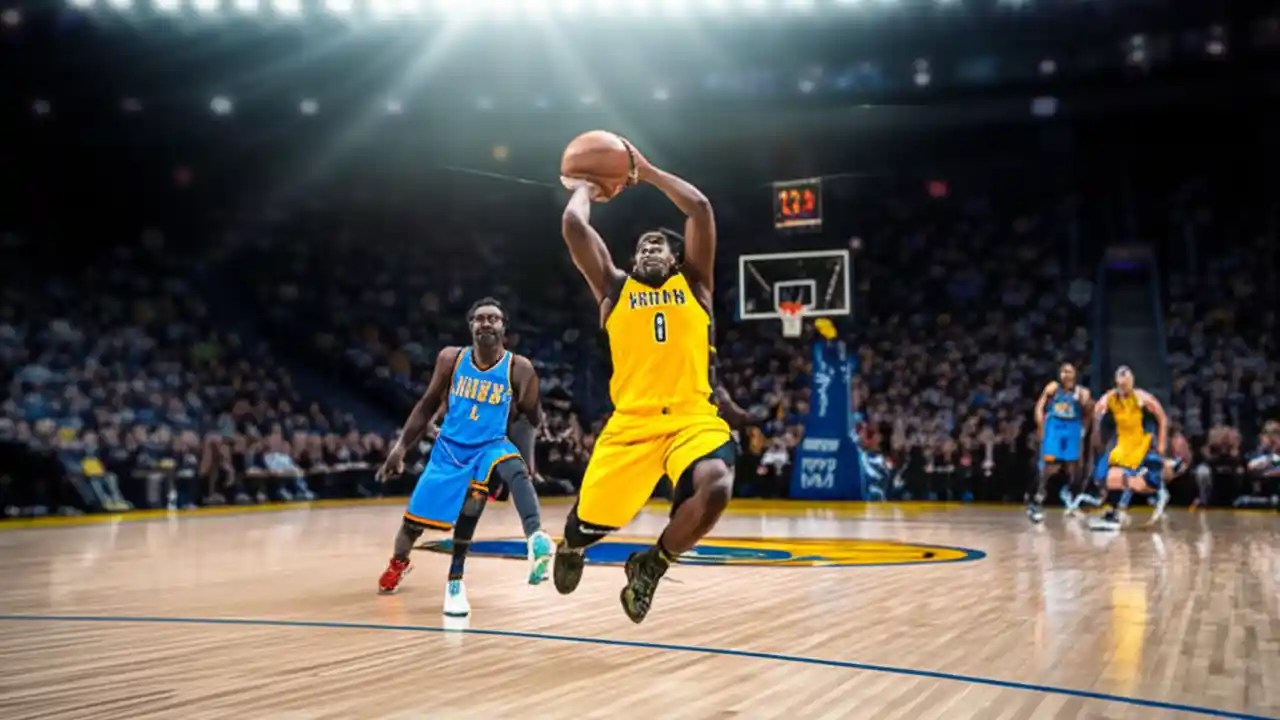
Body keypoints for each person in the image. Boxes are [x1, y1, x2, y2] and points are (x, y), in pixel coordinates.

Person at [557, 143, 736, 623]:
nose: (650, 249)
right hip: (631, 426)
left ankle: (651, 566)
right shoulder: (614, 289)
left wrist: (647, 170)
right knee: (587, 524)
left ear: (675, 257)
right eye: (642, 246)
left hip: (692, 420)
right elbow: (574, 226)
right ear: (633, 260)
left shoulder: (694, 285)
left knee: (717, 487)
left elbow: (699, 208)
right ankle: (572, 546)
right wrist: (584, 187)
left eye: (658, 244)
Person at [375, 298, 554, 617]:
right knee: (412, 525)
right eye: (480, 318)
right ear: (470, 326)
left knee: (512, 474)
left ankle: (535, 538)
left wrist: (530, 460)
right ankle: (399, 562)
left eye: (493, 319)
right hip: (449, 449)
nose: (486, 323)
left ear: (504, 328)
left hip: (490, 445)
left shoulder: (519, 368)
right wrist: (400, 448)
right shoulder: (451, 358)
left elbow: (530, 419)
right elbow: (427, 404)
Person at [1089, 366, 1179, 530]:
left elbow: (1162, 417)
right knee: (1104, 476)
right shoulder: (1111, 397)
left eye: (1126, 382)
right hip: (1122, 443)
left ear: (1132, 382)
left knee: (1117, 476)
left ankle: (1114, 514)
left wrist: (1161, 443)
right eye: (1120, 383)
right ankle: (1154, 489)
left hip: (1141, 441)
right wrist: (1096, 429)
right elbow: (1098, 409)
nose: (1123, 386)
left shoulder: (1142, 398)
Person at [1028, 362, 1093, 522]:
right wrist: (1040, 426)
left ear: (1075, 374)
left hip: (1072, 428)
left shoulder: (1082, 392)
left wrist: (1084, 428)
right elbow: (1039, 406)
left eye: (1069, 371)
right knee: (1049, 465)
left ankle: (1071, 499)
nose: (1066, 374)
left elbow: (1089, 412)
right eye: (1063, 371)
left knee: (1073, 466)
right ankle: (1037, 499)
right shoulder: (1053, 388)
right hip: (1054, 427)